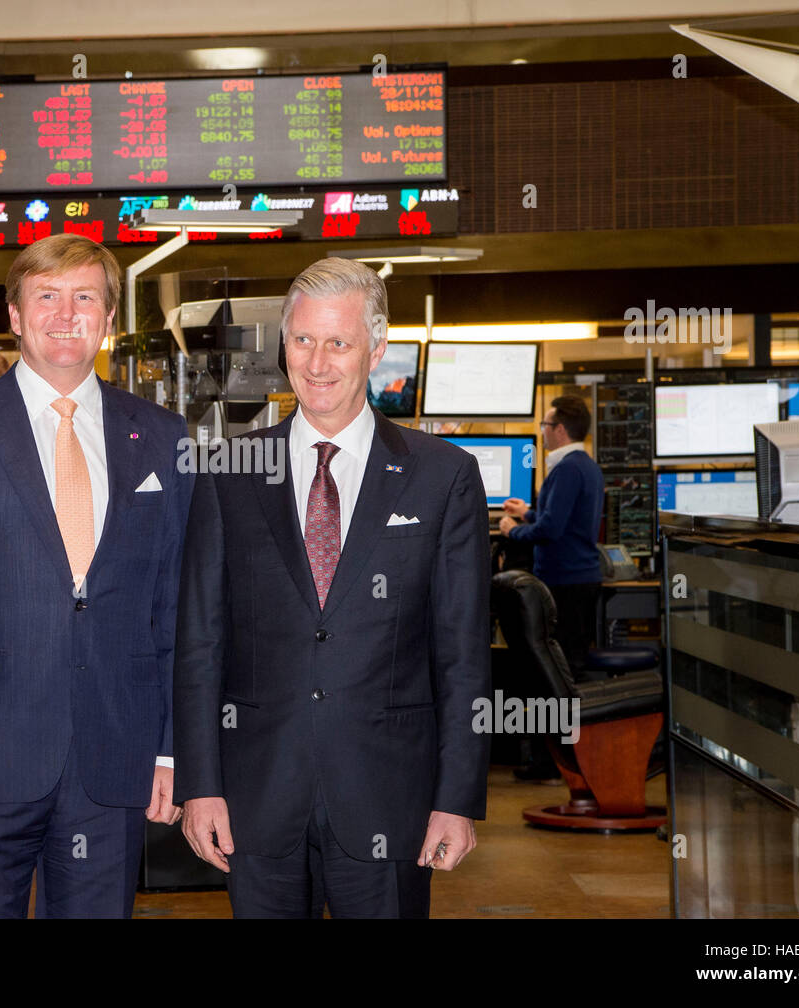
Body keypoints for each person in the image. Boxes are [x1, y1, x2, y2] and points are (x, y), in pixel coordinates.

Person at [0, 233, 192, 918]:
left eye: (85, 297)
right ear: (16, 316)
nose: (65, 313)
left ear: (109, 319)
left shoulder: (164, 439)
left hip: (112, 765)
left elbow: (174, 608)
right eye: (46, 296)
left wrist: (171, 749)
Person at [173, 258, 491, 918]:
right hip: (257, 801)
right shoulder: (227, 472)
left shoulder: (443, 477)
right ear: (284, 342)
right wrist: (199, 784)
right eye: (303, 340)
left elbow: (463, 657)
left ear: (376, 348)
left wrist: (456, 798)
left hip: (389, 800)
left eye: (339, 342)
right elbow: (199, 643)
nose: (317, 363)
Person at [499, 394, 604, 676]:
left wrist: (513, 530)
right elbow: (564, 521)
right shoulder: (586, 465)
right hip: (580, 577)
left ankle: (568, 720)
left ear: (560, 429)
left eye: (545, 424)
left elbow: (551, 530)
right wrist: (527, 513)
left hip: (565, 582)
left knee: (564, 666)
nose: (542, 430)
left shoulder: (567, 469)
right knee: (571, 660)